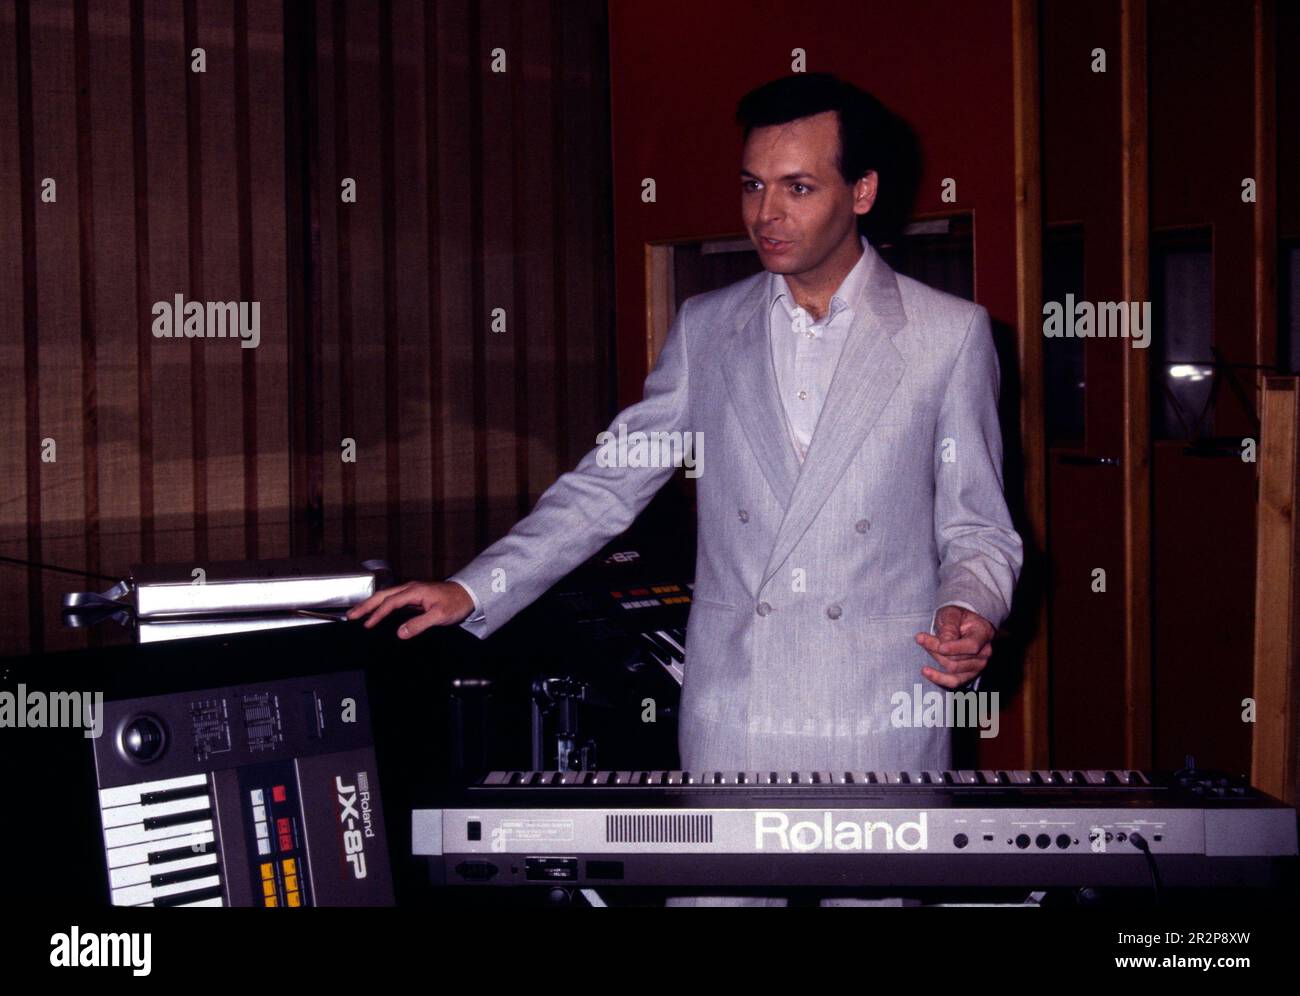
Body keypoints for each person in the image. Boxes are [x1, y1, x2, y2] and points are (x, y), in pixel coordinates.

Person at [349, 73, 1023, 905]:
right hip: (734, 709)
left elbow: (980, 530)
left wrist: (972, 606)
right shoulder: (710, 327)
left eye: (798, 187)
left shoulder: (948, 336)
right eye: (752, 184)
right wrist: (474, 585)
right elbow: (610, 482)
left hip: (880, 710)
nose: (765, 213)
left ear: (864, 191)